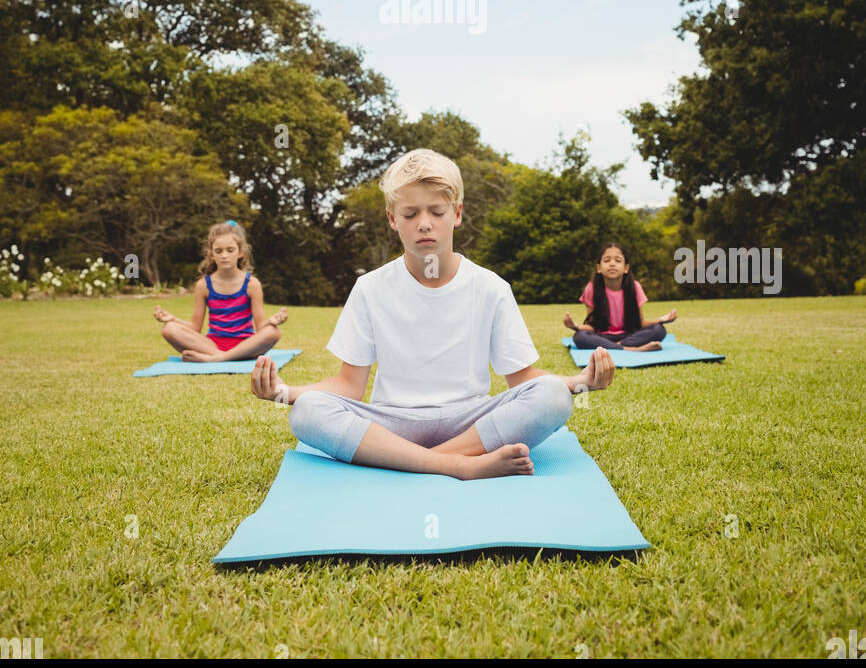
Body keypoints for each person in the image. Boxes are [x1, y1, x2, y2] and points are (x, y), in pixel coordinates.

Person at [251, 148, 615, 480]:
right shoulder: (370, 288)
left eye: (436, 211)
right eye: (410, 213)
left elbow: (523, 381)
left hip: (471, 422)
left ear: (456, 214)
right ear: (393, 219)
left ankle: (408, 462)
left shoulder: (490, 287)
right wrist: (283, 392)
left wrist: (582, 382)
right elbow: (349, 386)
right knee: (307, 412)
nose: (424, 223)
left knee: (553, 395)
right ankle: (455, 466)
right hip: (392, 421)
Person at [153, 219, 287, 361]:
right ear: (211, 254)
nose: (224, 255)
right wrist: (173, 319)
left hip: (245, 344)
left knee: (273, 332)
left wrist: (272, 321)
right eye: (219, 251)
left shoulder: (252, 284)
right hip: (211, 345)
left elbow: (261, 328)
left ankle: (216, 358)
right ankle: (223, 356)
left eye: (230, 250)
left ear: (240, 252)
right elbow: (195, 327)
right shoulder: (203, 285)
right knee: (169, 328)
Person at [563, 241, 677, 351]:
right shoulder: (592, 288)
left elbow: (640, 324)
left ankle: (616, 346)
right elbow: (592, 327)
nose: (612, 264)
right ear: (599, 268)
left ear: (626, 268)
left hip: (629, 336)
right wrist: (575, 326)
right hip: (603, 336)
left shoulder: (635, 287)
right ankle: (630, 349)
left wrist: (660, 321)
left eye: (618, 260)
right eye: (607, 260)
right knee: (580, 336)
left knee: (659, 330)